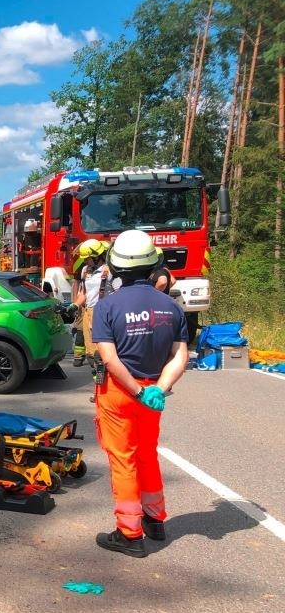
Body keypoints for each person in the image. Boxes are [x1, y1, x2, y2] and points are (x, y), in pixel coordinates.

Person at [91, 229, 189, 558]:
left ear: (116, 267)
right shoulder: (171, 306)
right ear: (153, 266)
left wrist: (135, 390)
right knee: (147, 453)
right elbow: (180, 355)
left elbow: (109, 358)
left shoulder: (108, 307)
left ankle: (129, 533)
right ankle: (155, 519)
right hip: (153, 395)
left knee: (123, 459)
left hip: (120, 392)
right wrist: (158, 389)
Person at [67, 239, 112, 366]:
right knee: (91, 353)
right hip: (88, 311)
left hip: (102, 312)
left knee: (101, 352)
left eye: (87, 258)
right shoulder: (85, 270)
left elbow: (119, 293)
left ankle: (104, 379)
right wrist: (75, 305)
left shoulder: (108, 271)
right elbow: (84, 293)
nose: (85, 261)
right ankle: (96, 379)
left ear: (96, 257)